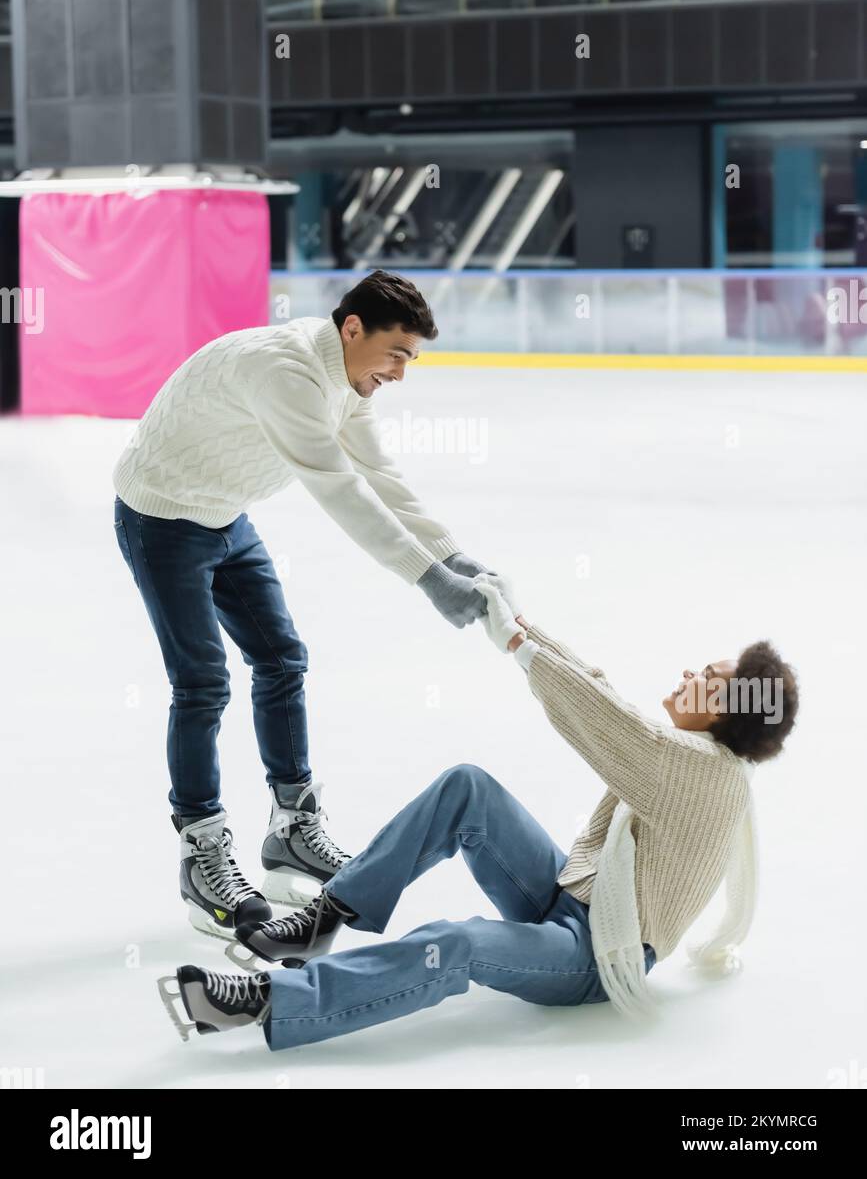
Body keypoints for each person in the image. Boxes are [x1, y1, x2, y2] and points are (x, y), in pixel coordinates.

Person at [157, 576, 798, 1047]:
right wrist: (519, 621)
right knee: (469, 788)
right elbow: (600, 692)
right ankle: (328, 916)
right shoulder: (700, 760)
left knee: (454, 944)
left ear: (726, 709)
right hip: (577, 896)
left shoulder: (696, 771)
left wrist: (518, 646)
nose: (690, 672)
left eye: (708, 676)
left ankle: (263, 1003)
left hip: (595, 956)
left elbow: (605, 718)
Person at [112, 270, 498, 941]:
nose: (401, 373)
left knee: (282, 657)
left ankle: (292, 829)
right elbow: (339, 490)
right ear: (353, 329)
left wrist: (450, 555)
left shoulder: (346, 379)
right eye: (397, 354)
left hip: (224, 515)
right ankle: (200, 854)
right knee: (202, 683)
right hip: (165, 518)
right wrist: (426, 580)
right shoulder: (287, 373)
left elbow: (379, 473)